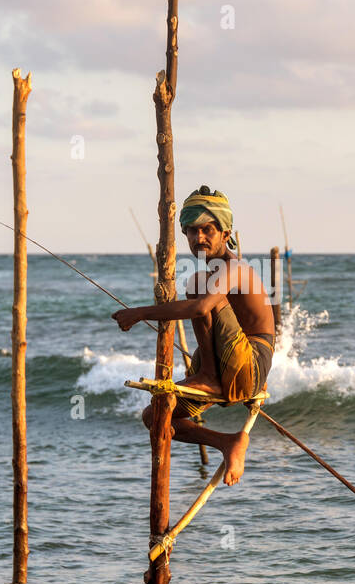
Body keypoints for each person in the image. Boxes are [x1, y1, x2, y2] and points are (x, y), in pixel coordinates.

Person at [112, 186, 275, 484]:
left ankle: (210, 377)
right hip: (236, 369)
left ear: (226, 234)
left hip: (246, 366)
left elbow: (202, 308)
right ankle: (228, 442)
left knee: (199, 284)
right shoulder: (216, 272)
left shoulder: (234, 268)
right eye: (191, 231)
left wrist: (140, 313)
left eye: (207, 229)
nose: (198, 237)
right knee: (155, 416)